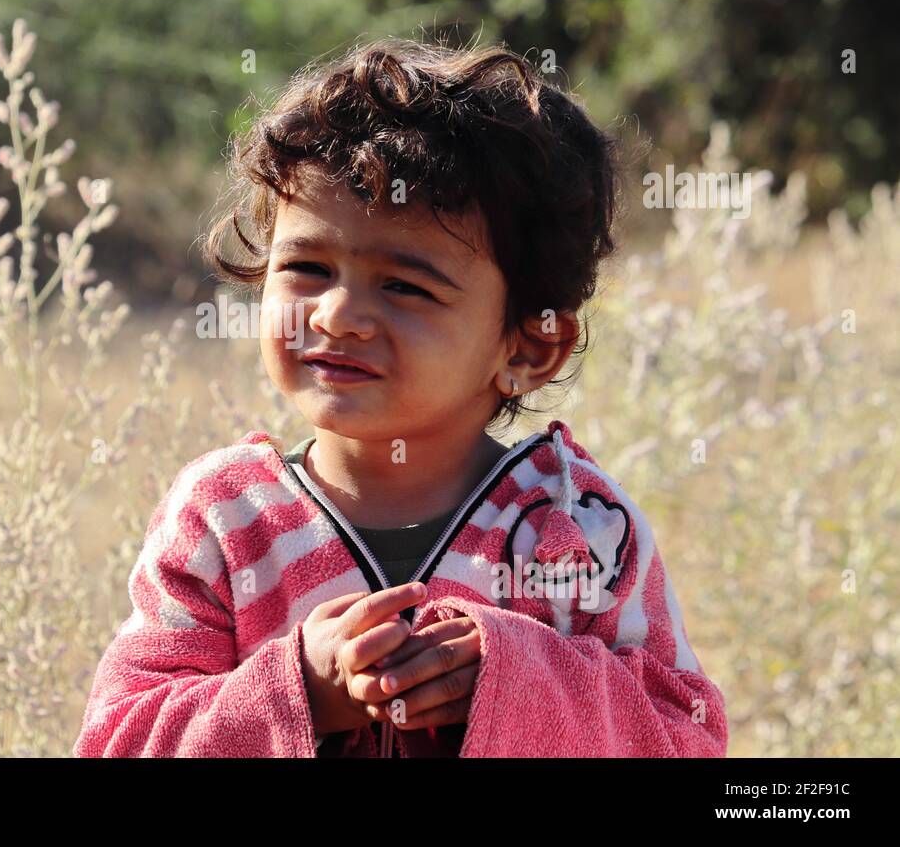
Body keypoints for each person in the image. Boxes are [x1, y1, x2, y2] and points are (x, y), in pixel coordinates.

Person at [72, 37, 728, 757]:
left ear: (527, 347)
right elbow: (117, 741)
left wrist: (513, 683)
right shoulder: (225, 521)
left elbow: (685, 736)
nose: (337, 316)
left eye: (404, 286)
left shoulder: (577, 530)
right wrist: (301, 688)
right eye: (308, 268)